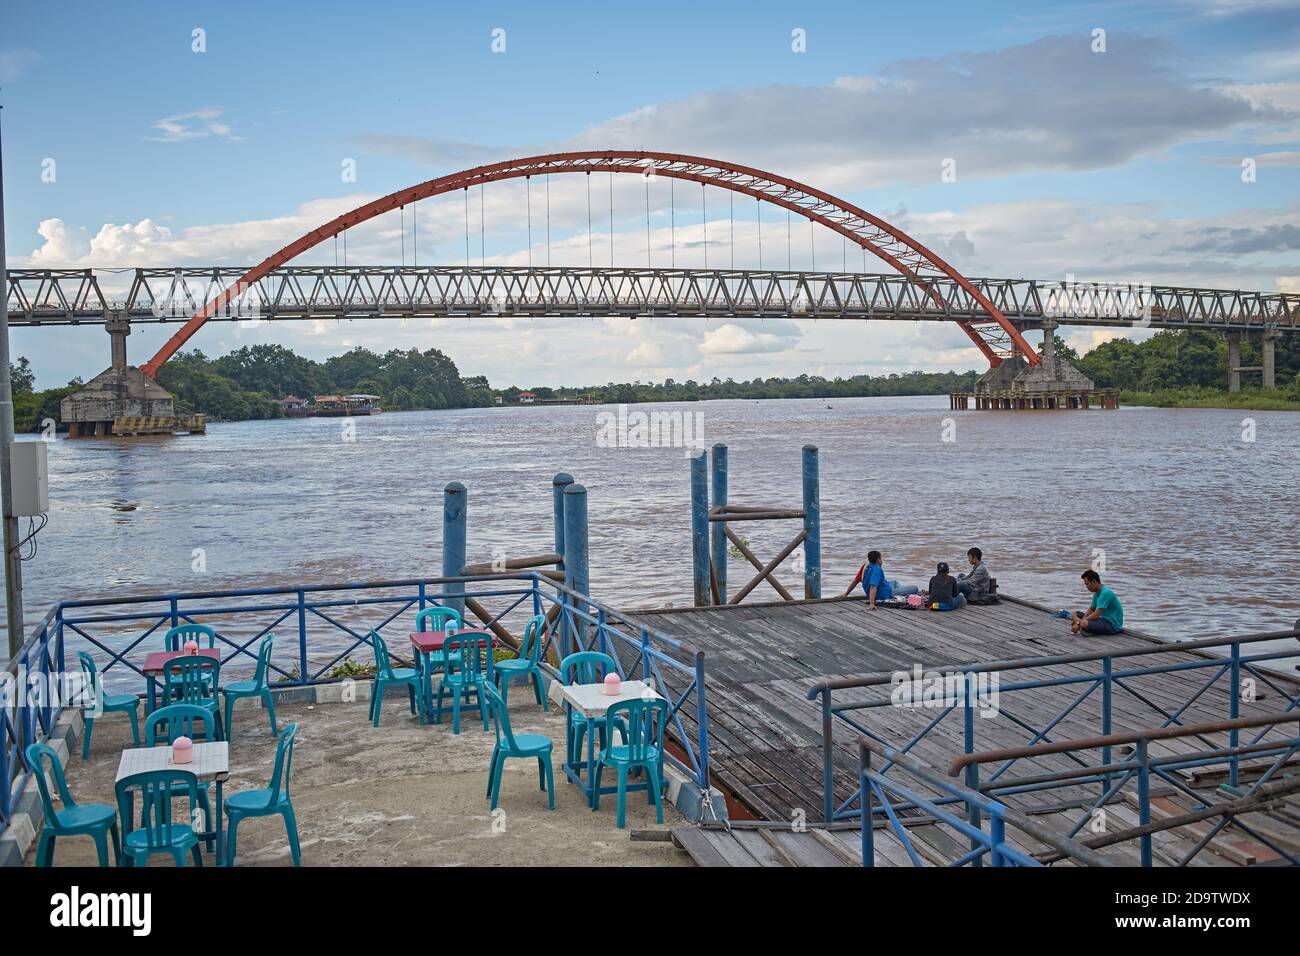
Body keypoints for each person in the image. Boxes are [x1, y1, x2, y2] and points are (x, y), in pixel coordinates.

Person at [844, 551, 919, 609]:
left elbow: (855, 581)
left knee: (894, 581)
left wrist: (846, 594)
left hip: (884, 588)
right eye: (881, 558)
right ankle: (899, 595)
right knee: (915, 588)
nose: (881, 561)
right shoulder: (877, 570)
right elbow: (873, 586)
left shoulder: (865, 566)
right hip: (886, 594)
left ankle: (900, 592)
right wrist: (871, 604)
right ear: (878, 560)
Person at [1070, 570, 1124, 635]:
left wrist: (1079, 623)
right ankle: (1084, 627)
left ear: (1094, 582)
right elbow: (1091, 609)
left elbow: (1096, 614)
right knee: (1074, 614)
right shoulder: (1097, 592)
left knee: (1084, 623)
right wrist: (1083, 619)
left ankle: (1084, 628)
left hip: (1112, 625)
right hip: (1101, 619)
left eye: (1087, 584)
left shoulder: (1105, 593)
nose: (1086, 587)